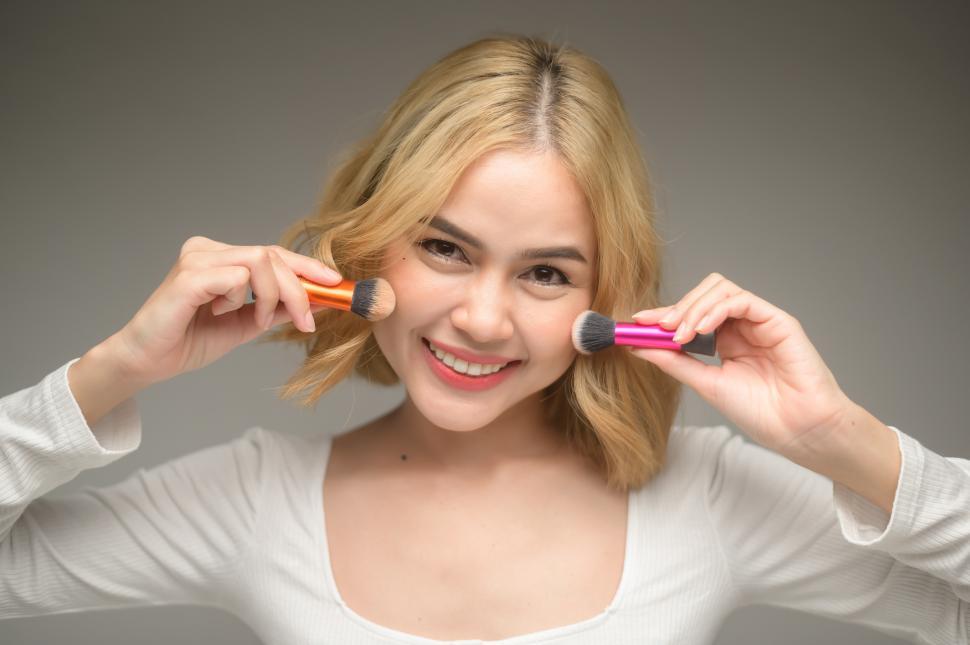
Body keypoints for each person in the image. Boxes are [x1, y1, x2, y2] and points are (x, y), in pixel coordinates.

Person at [1, 34, 967, 645]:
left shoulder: (709, 498)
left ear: (606, 296)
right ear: (372, 242)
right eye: (446, 247)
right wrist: (112, 371)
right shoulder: (256, 500)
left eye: (546, 272)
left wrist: (839, 440)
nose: (483, 319)